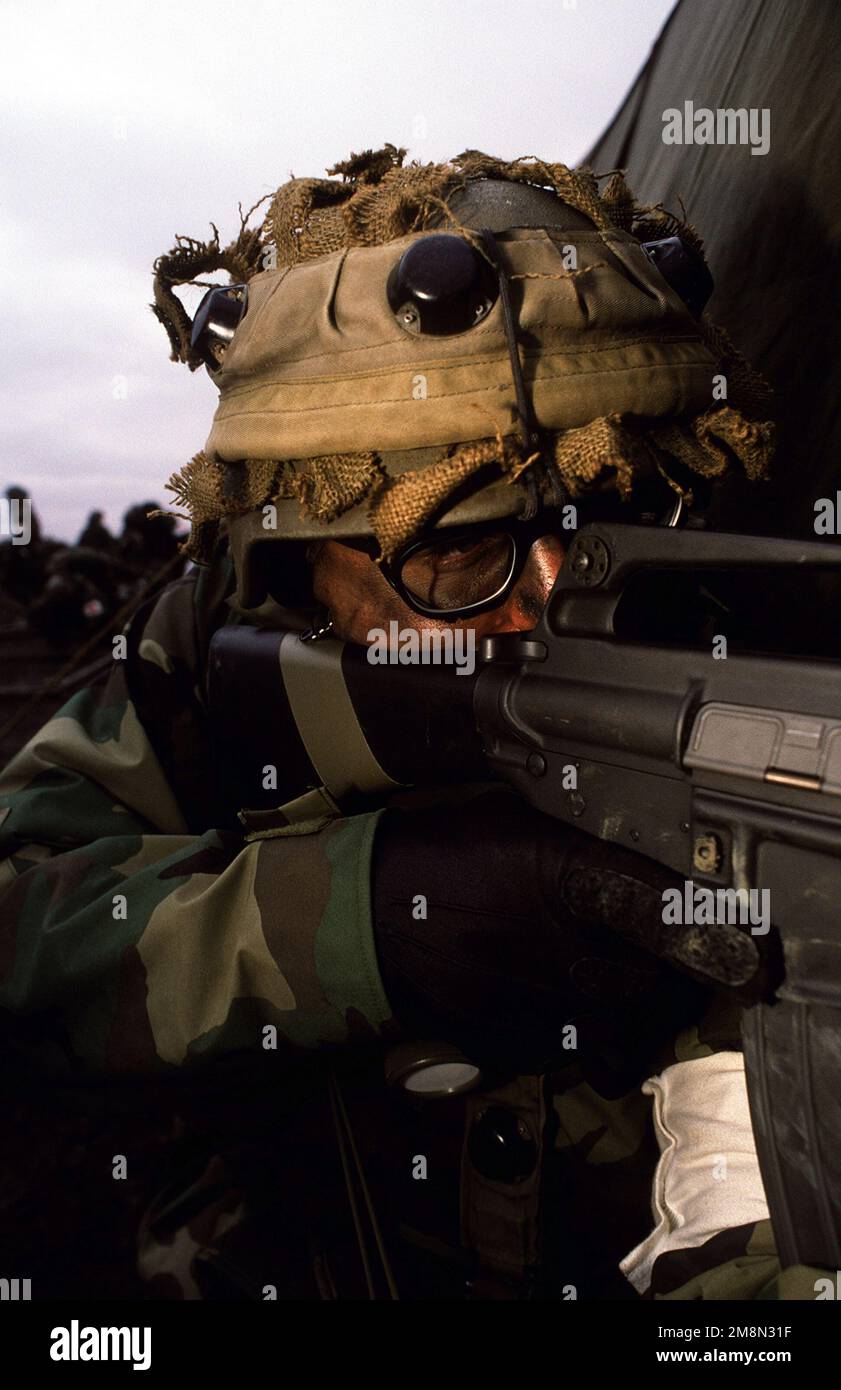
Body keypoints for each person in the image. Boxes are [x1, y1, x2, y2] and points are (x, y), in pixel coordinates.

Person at [0, 147, 824, 1300]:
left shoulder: (727, 660)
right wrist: (357, 920)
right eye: (463, 548)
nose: (547, 597)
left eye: (605, 522)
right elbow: (22, 939)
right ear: (294, 561)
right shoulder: (201, 656)